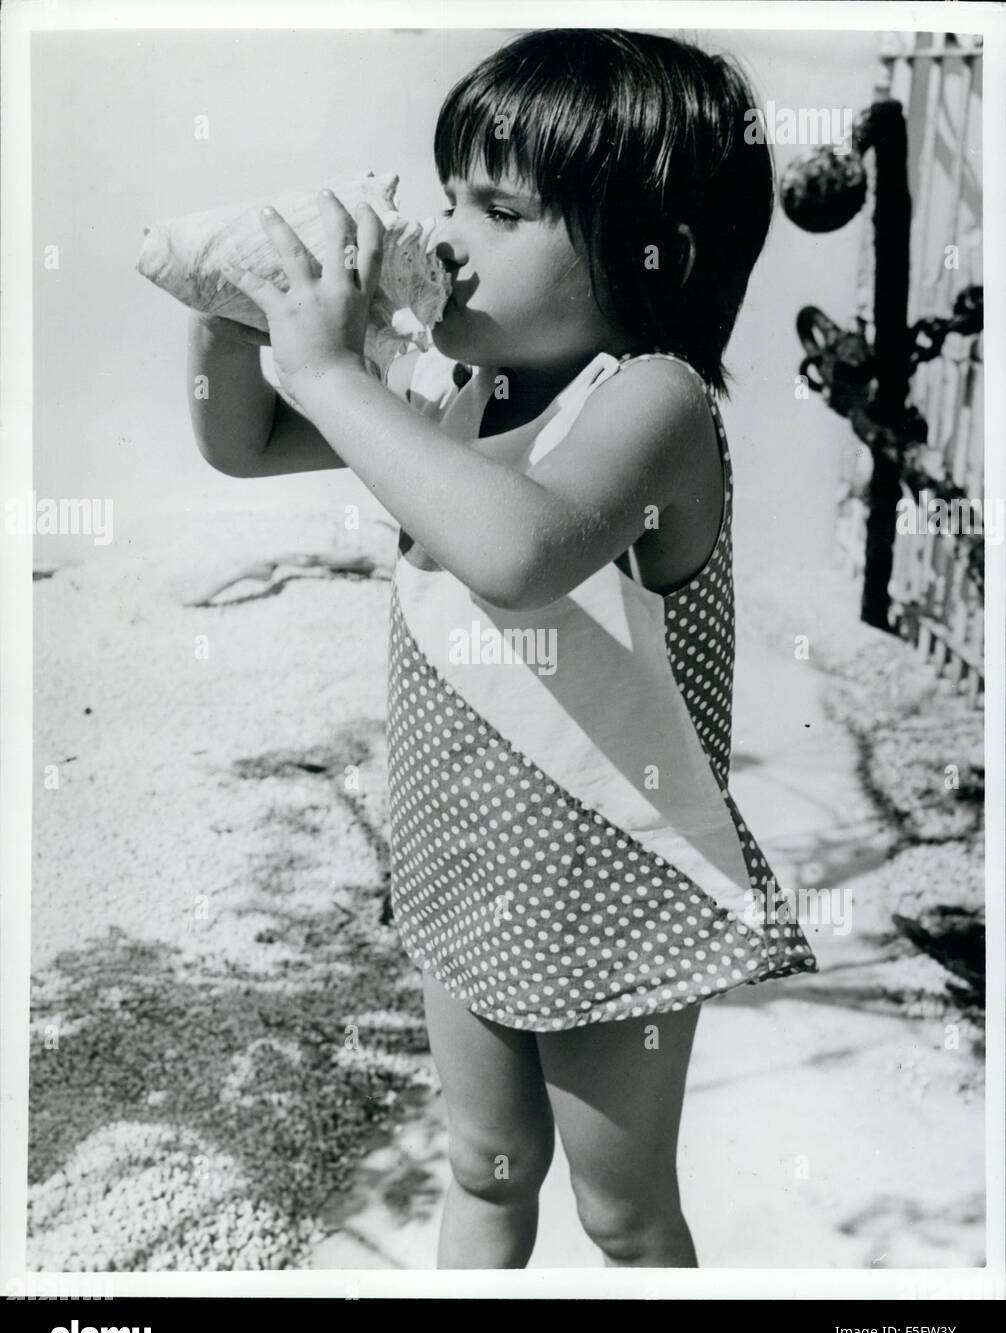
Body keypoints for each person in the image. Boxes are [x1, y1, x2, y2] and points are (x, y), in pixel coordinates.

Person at [188, 27, 819, 1270]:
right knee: (483, 1169)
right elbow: (243, 441)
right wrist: (232, 306)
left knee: (621, 1211)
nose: (450, 236)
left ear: (657, 254)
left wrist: (329, 365)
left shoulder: (652, 402)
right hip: (462, 865)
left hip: (615, 884)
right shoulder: (456, 402)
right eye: (446, 199)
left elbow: (518, 551)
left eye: (500, 206)